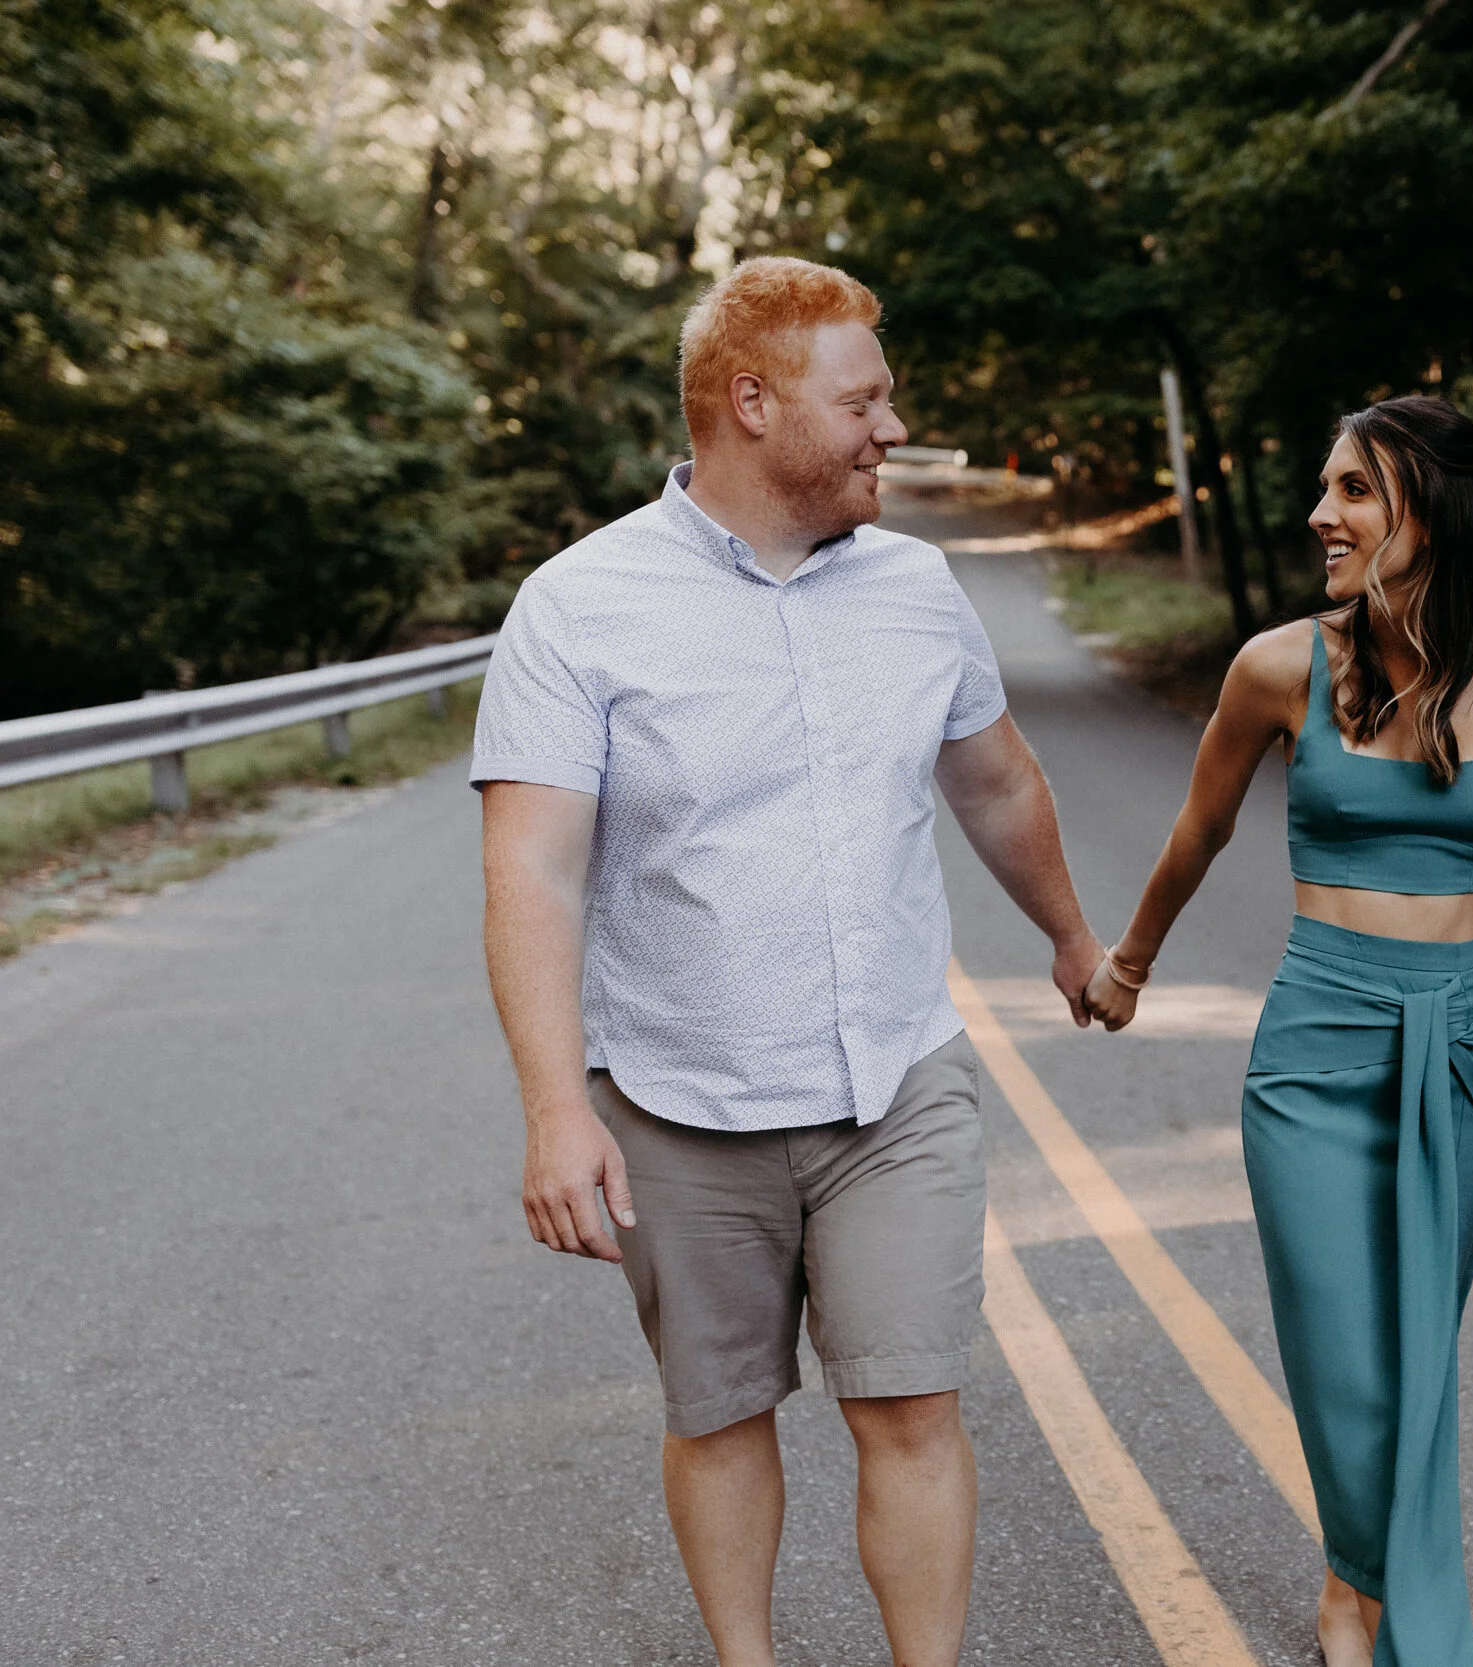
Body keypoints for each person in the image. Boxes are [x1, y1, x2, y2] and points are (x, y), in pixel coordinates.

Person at [472, 256, 1101, 1667]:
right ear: (753, 403)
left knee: (913, 1404)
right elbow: (534, 866)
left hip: (895, 1082)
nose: (892, 426)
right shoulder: (579, 605)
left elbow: (995, 783)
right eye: (865, 398)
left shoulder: (920, 589)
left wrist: (1068, 931)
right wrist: (555, 1107)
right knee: (719, 1409)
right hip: (677, 1103)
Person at [1082, 394, 1473, 1667]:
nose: (1317, 514)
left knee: (1414, 1358)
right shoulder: (1277, 666)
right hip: (1317, 1040)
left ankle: (1355, 1592)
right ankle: (1375, 1597)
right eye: (1324, 487)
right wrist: (1128, 961)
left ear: (1424, 511)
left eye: (1349, 490)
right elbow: (1197, 830)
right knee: (1345, 1354)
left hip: (1459, 1046)